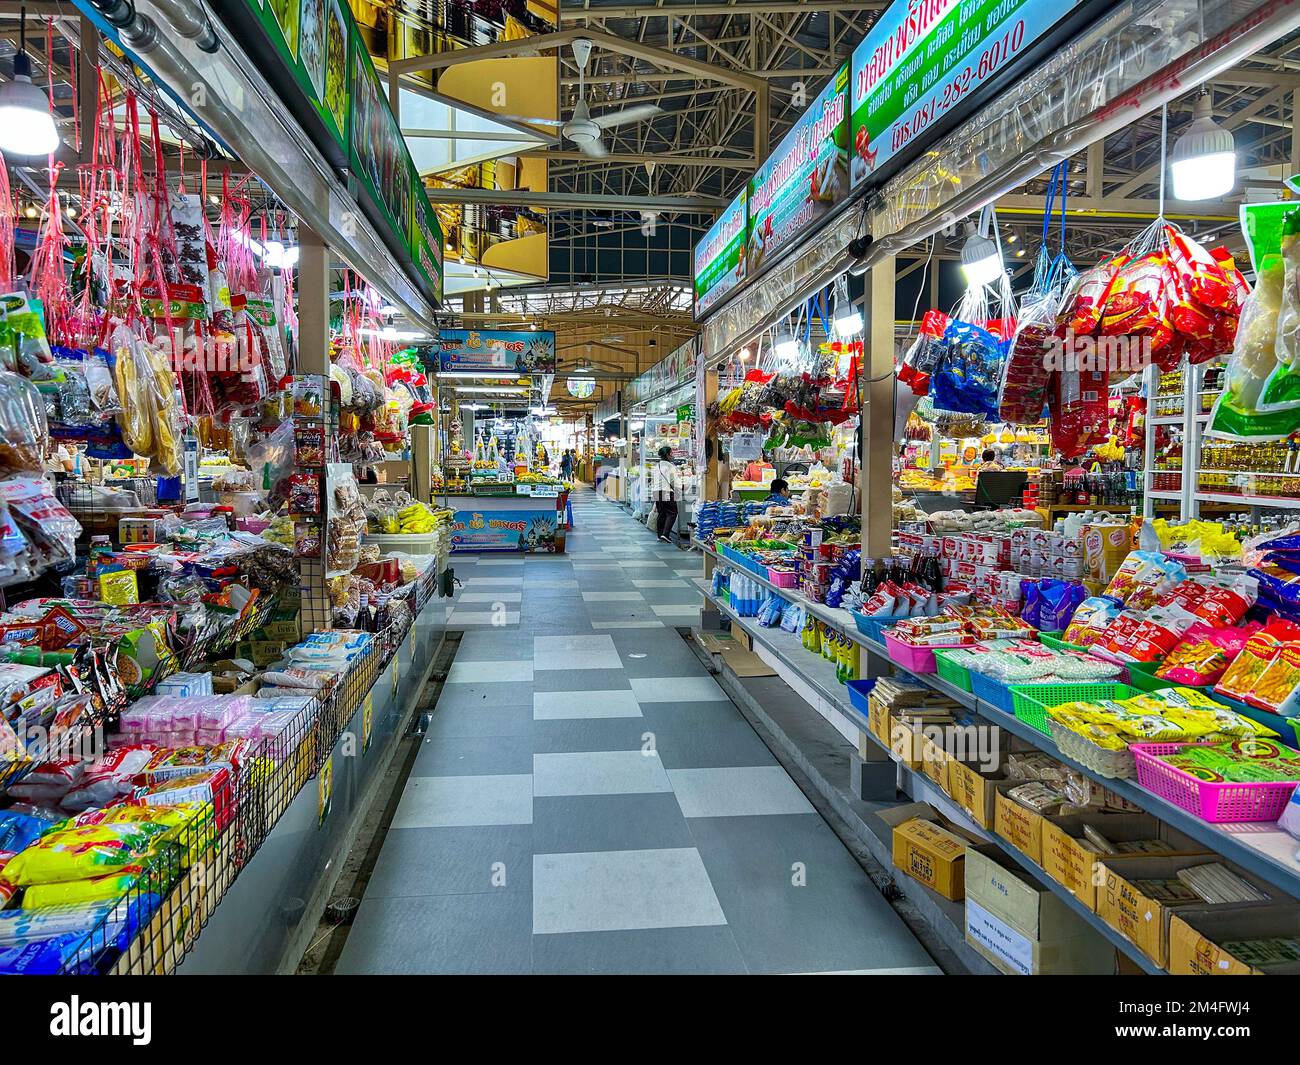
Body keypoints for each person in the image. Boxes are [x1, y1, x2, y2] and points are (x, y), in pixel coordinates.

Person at [649, 444, 681, 543]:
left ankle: (660, 535)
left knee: (661, 513)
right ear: (667, 455)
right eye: (671, 453)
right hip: (666, 491)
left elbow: (653, 481)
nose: (672, 455)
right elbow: (674, 481)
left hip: (656, 491)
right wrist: (681, 487)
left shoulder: (657, 466)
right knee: (672, 513)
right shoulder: (670, 466)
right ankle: (665, 534)